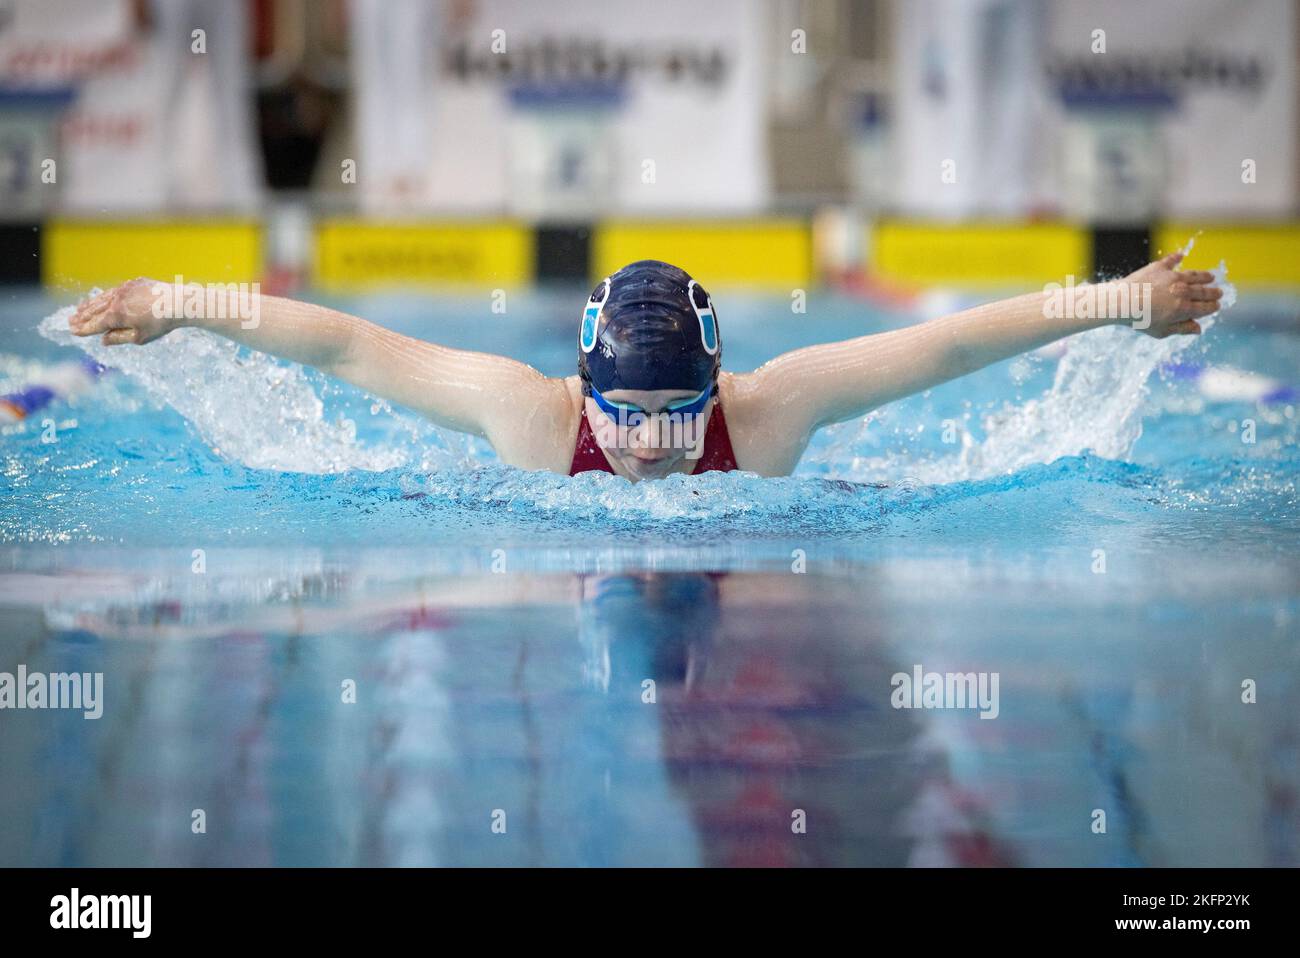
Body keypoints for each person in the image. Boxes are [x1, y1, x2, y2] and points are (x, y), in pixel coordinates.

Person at [68, 255, 1223, 481]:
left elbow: (951, 344)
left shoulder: (768, 418)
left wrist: (1124, 303)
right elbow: (343, 343)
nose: (657, 445)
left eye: (683, 415)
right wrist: (179, 305)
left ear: (721, 388)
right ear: (584, 388)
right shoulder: (527, 419)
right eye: (630, 415)